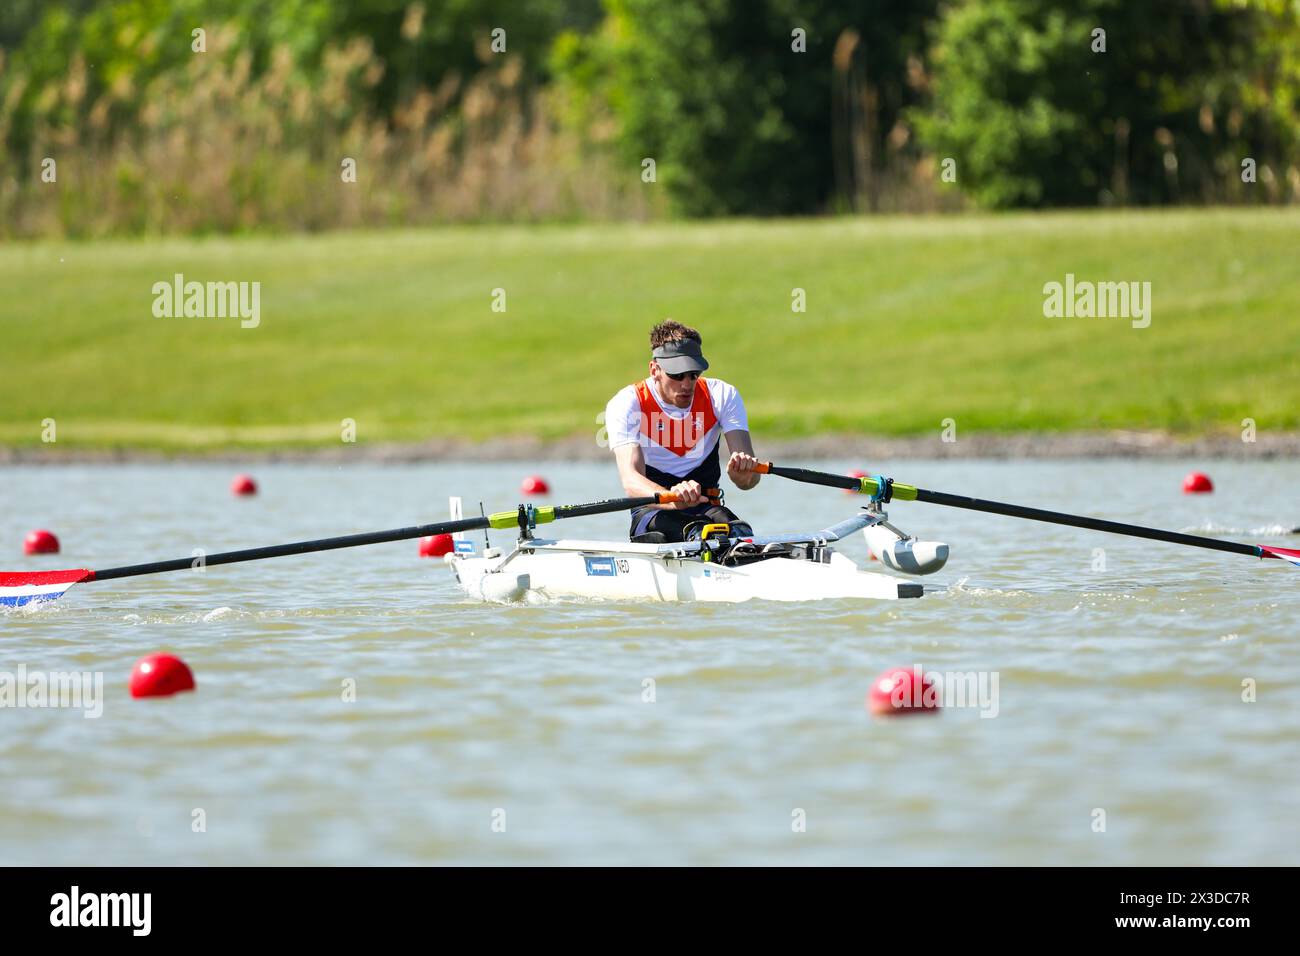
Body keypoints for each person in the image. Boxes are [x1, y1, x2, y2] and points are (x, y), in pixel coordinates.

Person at [604, 321, 761, 543]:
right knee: (693, 531)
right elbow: (631, 481)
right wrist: (672, 500)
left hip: (707, 508)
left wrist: (744, 473)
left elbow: (748, 481)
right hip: (653, 513)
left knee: (740, 532)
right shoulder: (628, 403)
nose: (687, 384)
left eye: (693, 374)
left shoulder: (722, 395)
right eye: (677, 375)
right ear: (654, 370)